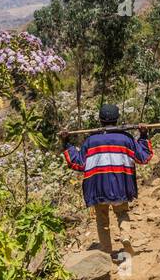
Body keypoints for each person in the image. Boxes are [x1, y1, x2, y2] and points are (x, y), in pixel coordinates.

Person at [61, 103, 154, 260]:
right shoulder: (126, 138)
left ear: (100, 120)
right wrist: (144, 135)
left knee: (102, 219)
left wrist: (66, 143)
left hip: (98, 188)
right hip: (121, 186)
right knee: (122, 213)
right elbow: (143, 157)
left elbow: (77, 163)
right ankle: (125, 236)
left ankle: (105, 251)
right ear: (117, 119)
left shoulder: (91, 141)